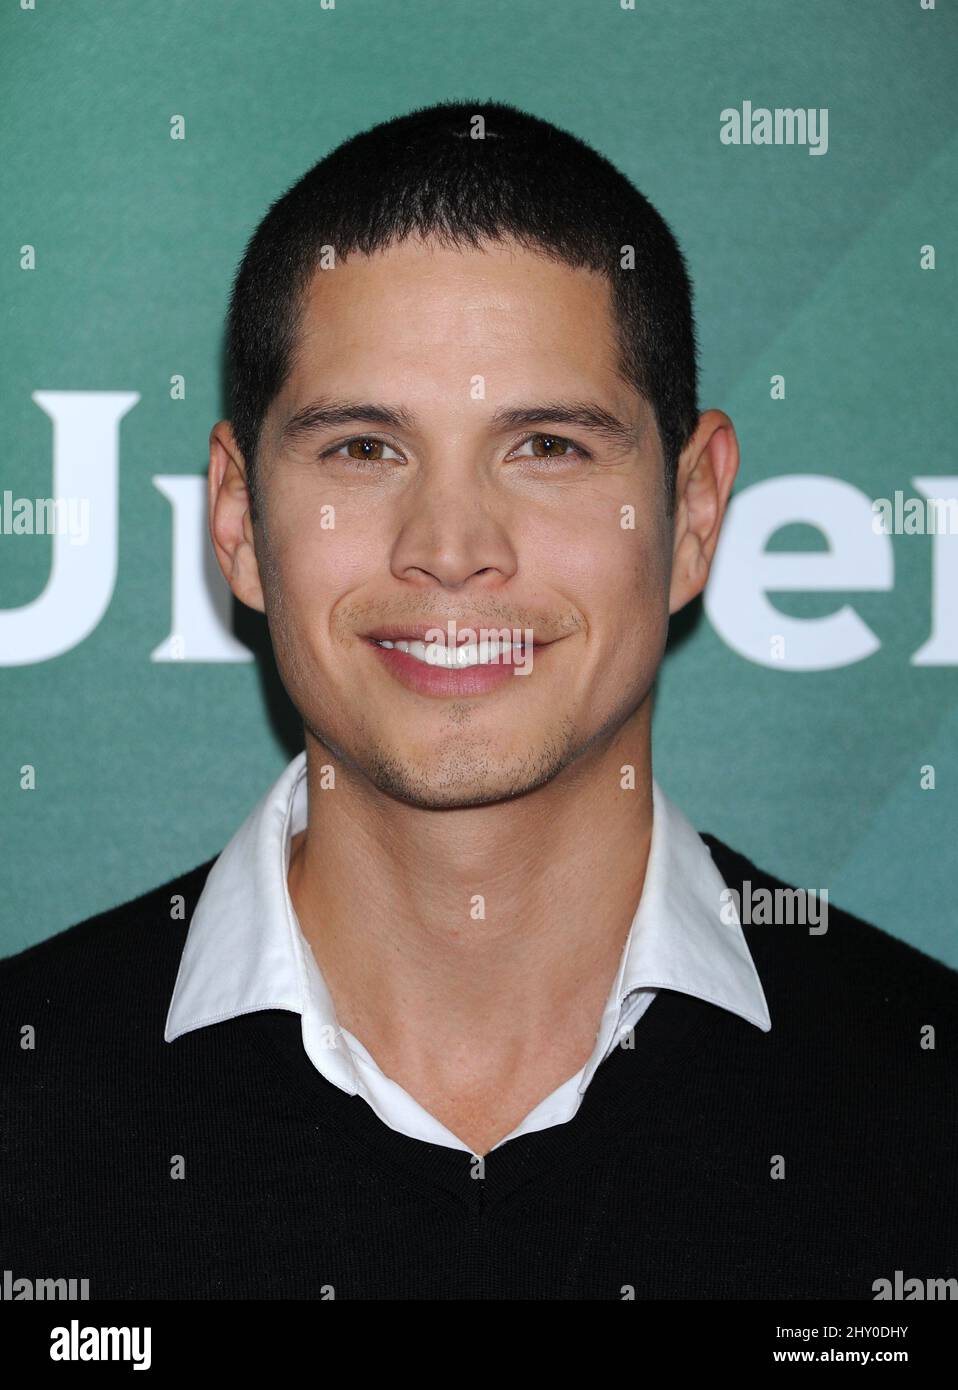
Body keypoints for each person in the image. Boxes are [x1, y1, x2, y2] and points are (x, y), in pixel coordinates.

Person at [2, 100, 956, 1302]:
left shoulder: (926, 1110)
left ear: (693, 514)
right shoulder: (28, 1105)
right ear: (239, 520)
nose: (451, 549)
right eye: (362, 447)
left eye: (547, 445)